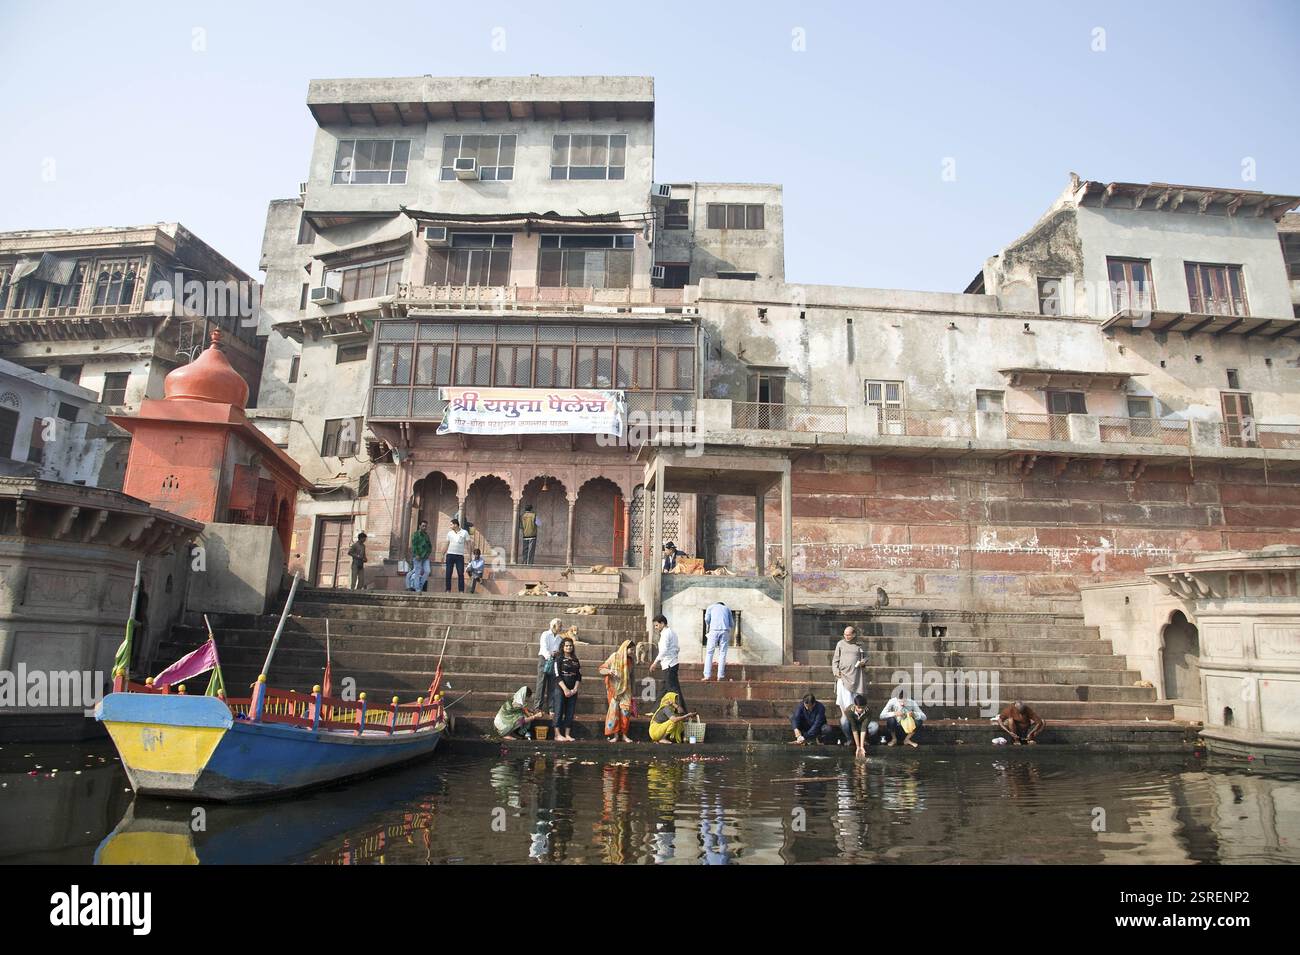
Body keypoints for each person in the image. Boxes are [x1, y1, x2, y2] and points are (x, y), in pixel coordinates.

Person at [832, 625, 869, 742]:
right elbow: (835, 661)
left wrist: (863, 662)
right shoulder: (840, 644)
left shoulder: (860, 645)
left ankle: (860, 736)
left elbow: (866, 657)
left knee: (856, 701)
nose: (846, 636)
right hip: (843, 677)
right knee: (844, 705)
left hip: (856, 676)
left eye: (848, 634)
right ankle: (849, 737)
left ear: (854, 634)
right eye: (844, 634)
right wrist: (837, 672)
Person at [598, 639, 636, 743]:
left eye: (633, 650)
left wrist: (633, 691)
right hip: (614, 690)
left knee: (625, 713)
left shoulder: (631, 661)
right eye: (631, 650)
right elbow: (601, 669)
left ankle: (624, 735)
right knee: (614, 713)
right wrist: (609, 671)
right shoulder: (614, 656)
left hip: (626, 691)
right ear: (625, 648)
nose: (633, 652)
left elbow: (632, 677)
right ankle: (615, 736)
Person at [648, 614, 685, 712]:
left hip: (669, 665)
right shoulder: (672, 633)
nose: (655, 628)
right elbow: (677, 648)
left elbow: (663, 651)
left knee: (673, 690)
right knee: (664, 689)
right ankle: (655, 710)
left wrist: (655, 663)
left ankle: (680, 711)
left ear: (662, 623)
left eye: (656, 625)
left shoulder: (665, 634)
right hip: (671, 664)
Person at [552, 635, 582, 742]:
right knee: (559, 710)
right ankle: (557, 734)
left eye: (570, 646)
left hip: (573, 689)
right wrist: (565, 689)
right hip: (560, 688)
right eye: (567, 646)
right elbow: (557, 675)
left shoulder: (575, 660)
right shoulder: (558, 659)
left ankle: (567, 734)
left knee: (570, 712)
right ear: (563, 647)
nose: (569, 648)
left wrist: (575, 689)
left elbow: (579, 675)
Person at [703, 600, 734, 682]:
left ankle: (707, 676)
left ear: (716, 604)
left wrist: (710, 624)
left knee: (709, 653)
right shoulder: (727, 609)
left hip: (713, 630)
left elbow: (706, 619)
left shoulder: (711, 607)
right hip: (725, 631)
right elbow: (732, 624)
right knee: (722, 653)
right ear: (723, 605)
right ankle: (720, 676)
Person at [536, 617, 562, 715]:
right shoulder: (545, 634)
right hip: (544, 660)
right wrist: (550, 655)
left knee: (552, 685)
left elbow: (560, 650)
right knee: (541, 684)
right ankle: (538, 707)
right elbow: (543, 647)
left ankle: (551, 708)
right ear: (554, 626)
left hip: (554, 660)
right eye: (560, 625)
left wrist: (557, 653)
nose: (561, 627)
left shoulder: (559, 638)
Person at [444, 518, 470, 592]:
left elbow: (468, 544)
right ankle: (448, 589)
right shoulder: (449, 533)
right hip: (450, 554)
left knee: (460, 573)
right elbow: (446, 544)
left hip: (459, 555)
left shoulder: (464, 532)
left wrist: (470, 555)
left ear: (456, 525)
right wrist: (442, 554)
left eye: (451, 524)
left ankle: (461, 590)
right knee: (448, 573)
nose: (450, 526)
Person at [407, 520, 432, 592]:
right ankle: (417, 588)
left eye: (425, 526)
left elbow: (429, 546)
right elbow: (414, 545)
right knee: (417, 573)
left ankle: (420, 586)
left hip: (425, 557)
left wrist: (428, 553)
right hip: (418, 556)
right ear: (419, 526)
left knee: (427, 571)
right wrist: (416, 554)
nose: (424, 527)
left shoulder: (426, 535)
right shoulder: (416, 534)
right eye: (423, 526)